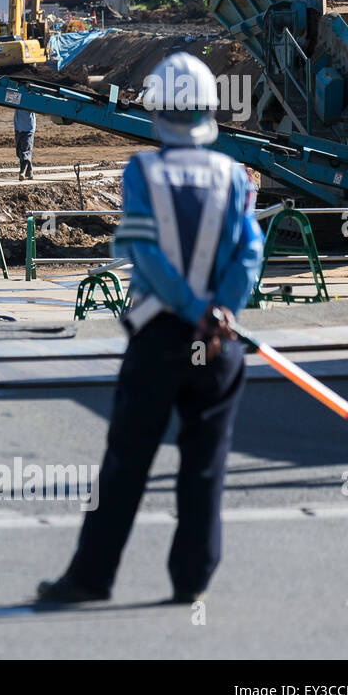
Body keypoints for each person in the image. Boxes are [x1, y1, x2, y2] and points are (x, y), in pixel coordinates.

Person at [36, 52, 264, 606]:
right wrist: (221, 313)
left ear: (157, 111)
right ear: (210, 112)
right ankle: (191, 580)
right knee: (205, 463)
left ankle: (91, 578)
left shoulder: (143, 172)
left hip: (162, 340)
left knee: (127, 461)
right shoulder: (235, 176)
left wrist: (192, 309)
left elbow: (146, 254)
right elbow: (250, 252)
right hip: (218, 345)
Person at [14, 106, 35, 180]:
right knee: (19, 152)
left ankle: (22, 172)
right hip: (18, 129)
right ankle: (29, 172)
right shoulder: (18, 98)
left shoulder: (30, 99)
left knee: (25, 151)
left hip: (28, 129)